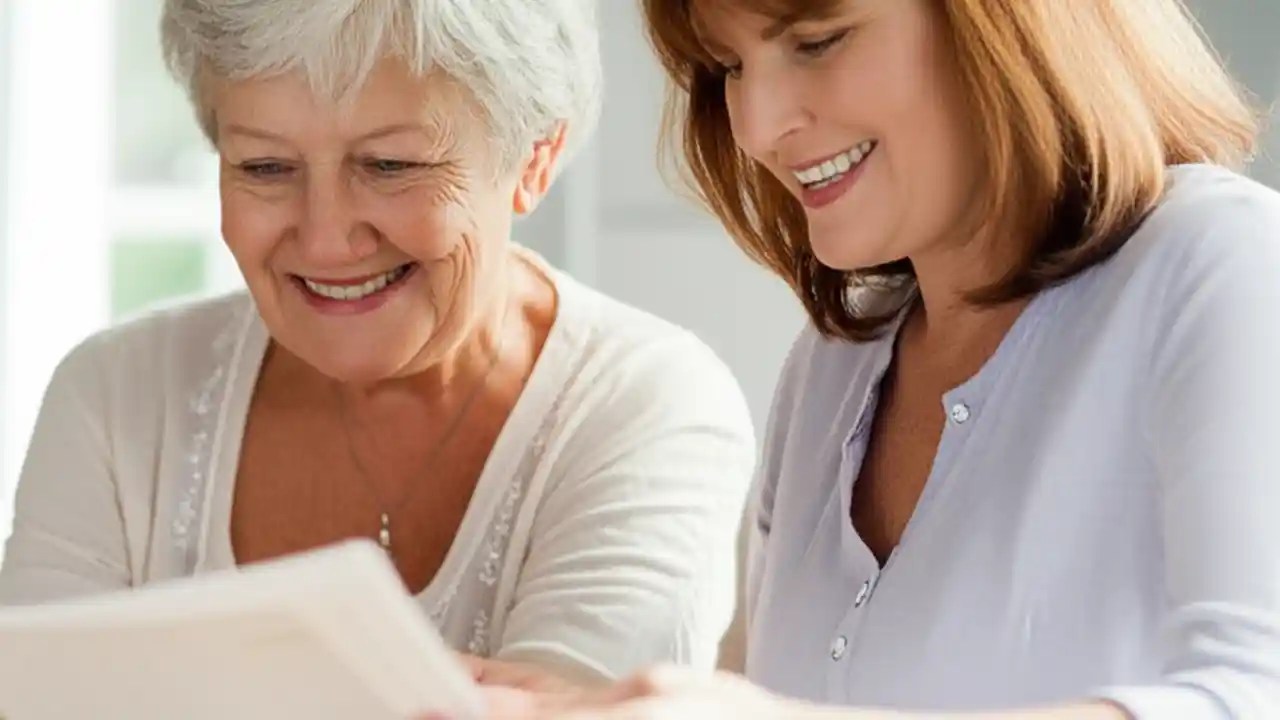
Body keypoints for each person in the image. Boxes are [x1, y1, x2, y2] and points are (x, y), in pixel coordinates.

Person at [479, 0, 1280, 717]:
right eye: (728, 66)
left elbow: (1252, 694)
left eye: (818, 41)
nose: (757, 127)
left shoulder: (1220, 265)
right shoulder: (835, 361)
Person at [0, 0, 758, 688]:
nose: (327, 240)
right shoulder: (113, 395)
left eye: (391, 166)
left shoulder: (646, 405)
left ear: (533, 159)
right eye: (266, 167)